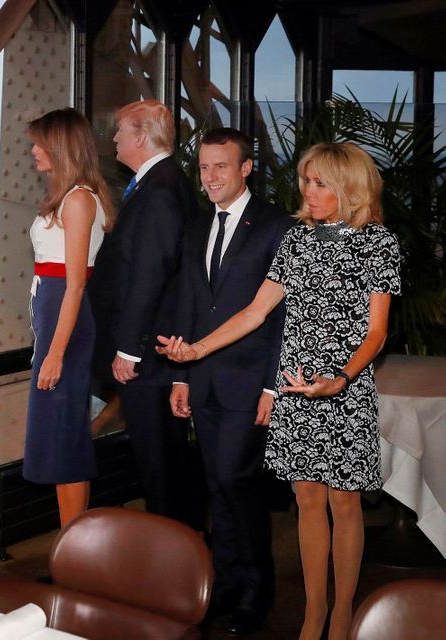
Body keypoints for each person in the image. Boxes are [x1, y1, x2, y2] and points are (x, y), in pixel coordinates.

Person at [157, 141, 401, 640]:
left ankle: (341, 614)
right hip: (295, 384)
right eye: (306, 181)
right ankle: (314, 614)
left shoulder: (379, 243)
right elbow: (254, 312)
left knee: (344, 503)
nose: (308, 192)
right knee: (307, 501)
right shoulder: (297, 241)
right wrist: (197, 351)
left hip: (344, 388)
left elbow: (377, 332)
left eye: (319, 183)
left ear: (348, 186)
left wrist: (344, 377)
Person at [172, 128, 293, 634]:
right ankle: (224, 583)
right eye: (203, 167)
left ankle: (256, 588)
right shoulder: (198, 227)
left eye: (221, 166)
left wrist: (272, 385)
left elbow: (287, 318)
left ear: (245, 169)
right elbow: (191, 301)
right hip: (204, 380)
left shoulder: (278, 226)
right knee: (216, 486)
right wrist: (182, 374)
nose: (210, 177)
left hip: (251, 382)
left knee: (236, 481)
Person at [88, 99, 198, 523]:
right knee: (164, 464)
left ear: (140, 138)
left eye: (119, 131)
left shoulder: (159, 191)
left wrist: (129, 350)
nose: (113, 138)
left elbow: (149, 275)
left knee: (159, 466)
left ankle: (172, 569)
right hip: (155, 352)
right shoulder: (165, 183)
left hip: (148, 357)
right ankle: (179, 557)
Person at [23, 108, 115, 527]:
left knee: (66, 439)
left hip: (65, 318)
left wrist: (56, 352)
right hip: (56, 315)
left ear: (60, 146)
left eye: (40, 143)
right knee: (63, 437)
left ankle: (73, 550)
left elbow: (75, 283)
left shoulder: (78, 199)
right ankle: (71, 547)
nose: (33, 150)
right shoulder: (72, 196)